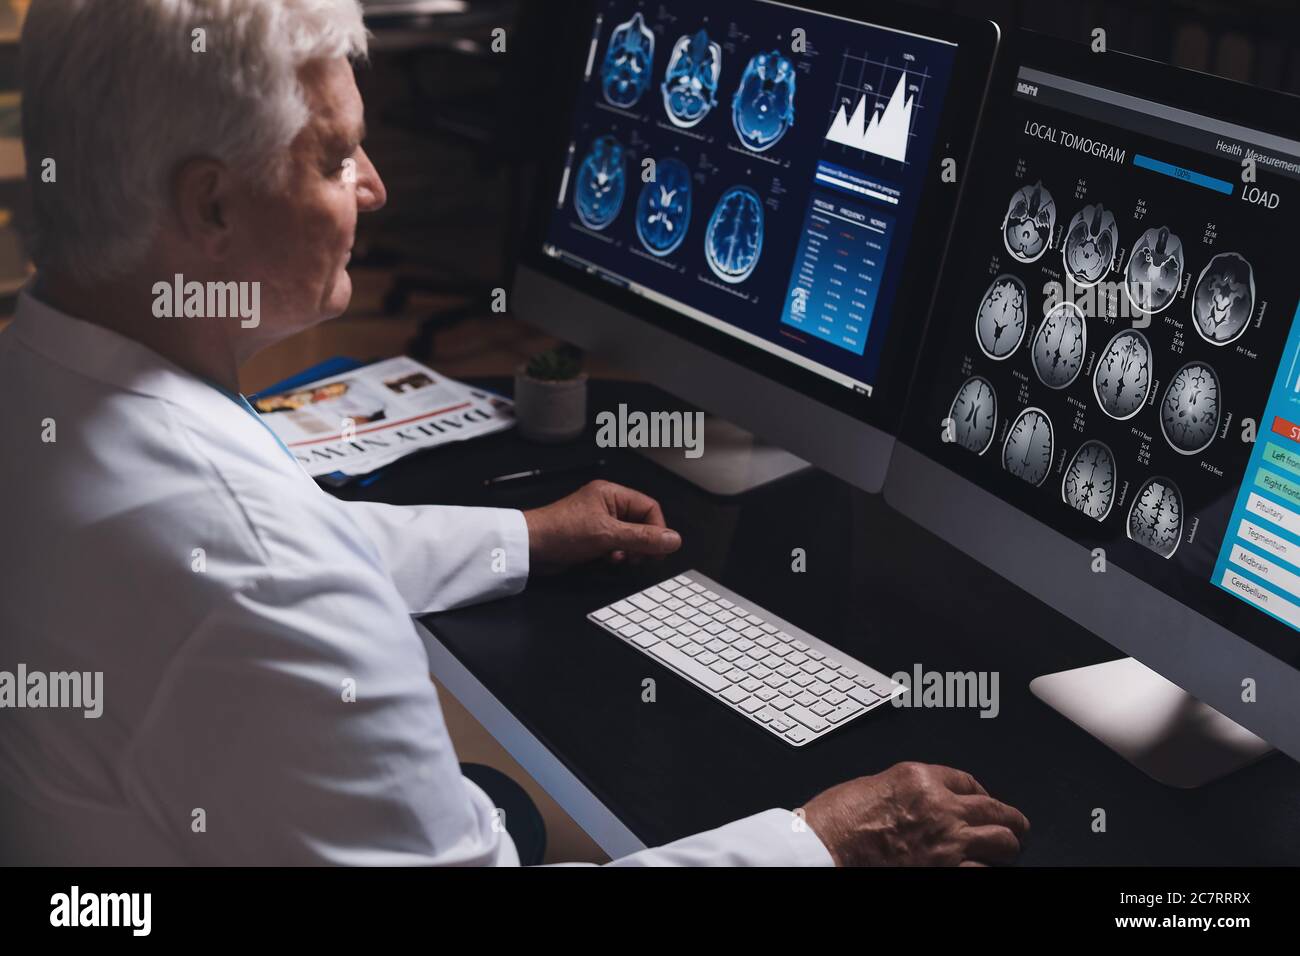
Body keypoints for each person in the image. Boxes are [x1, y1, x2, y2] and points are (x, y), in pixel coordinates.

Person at [0, 0, 1028, 866]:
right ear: (210, 207)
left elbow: (276, 548)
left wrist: (528, 534)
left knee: (513, 802)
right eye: (336, 154)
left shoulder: (46, 377)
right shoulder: (264, 572)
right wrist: (821, 837)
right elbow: (273, 569)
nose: (375, 188)